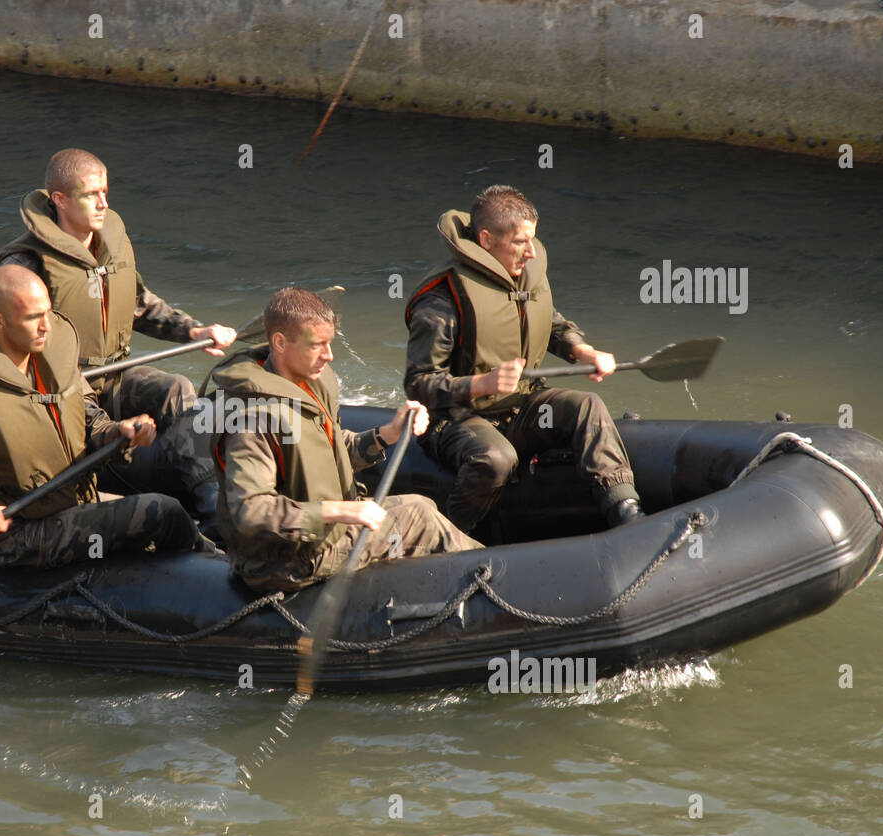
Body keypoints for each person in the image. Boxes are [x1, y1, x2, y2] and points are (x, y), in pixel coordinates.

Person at [0, 265, 215, 568]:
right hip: (21, 534)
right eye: (33, 318)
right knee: (161, 511)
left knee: (175, 513)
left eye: (47, 313)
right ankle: (219, 571)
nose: (46, 326)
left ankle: (212, 558)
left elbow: (94, 424)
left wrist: (122, 432)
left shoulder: (56, 364)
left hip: (76, 504)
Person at [0, 148, 235, 520]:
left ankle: (212, 506)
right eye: (92, 194)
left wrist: (194, 330)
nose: (104, 203)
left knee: (177, 389)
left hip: (114, 375)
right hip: (61, 386)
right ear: (60, 200)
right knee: (93, 420)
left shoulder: (110, 246)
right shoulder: (26, 263)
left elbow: (138, 304)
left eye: (106, 192)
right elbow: (0, 334)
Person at [404, 185, 643, 533]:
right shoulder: (441, 302)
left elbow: (552, 322)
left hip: (522, 405)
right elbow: (418, 384)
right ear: (486, 239)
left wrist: (582, 350)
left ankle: (624, 509)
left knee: (586, 406)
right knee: (496, 459)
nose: (531, 252)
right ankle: (449, 535)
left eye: (533, 240)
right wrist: (481, 383)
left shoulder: (523, 277)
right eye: (520, 242)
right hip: (456, 419)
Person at [209, 287, 480, 593]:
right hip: (286, 563)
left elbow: (330, 451)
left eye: (330, 343)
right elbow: (251, 512)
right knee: (420, 516)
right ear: (280, 342)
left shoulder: (307, 384)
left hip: (319, 539)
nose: (329, 355)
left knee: (421, 506)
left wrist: (387, 433)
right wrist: (342, 511)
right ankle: (498, 578)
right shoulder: (252, 420)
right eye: (318, 346)